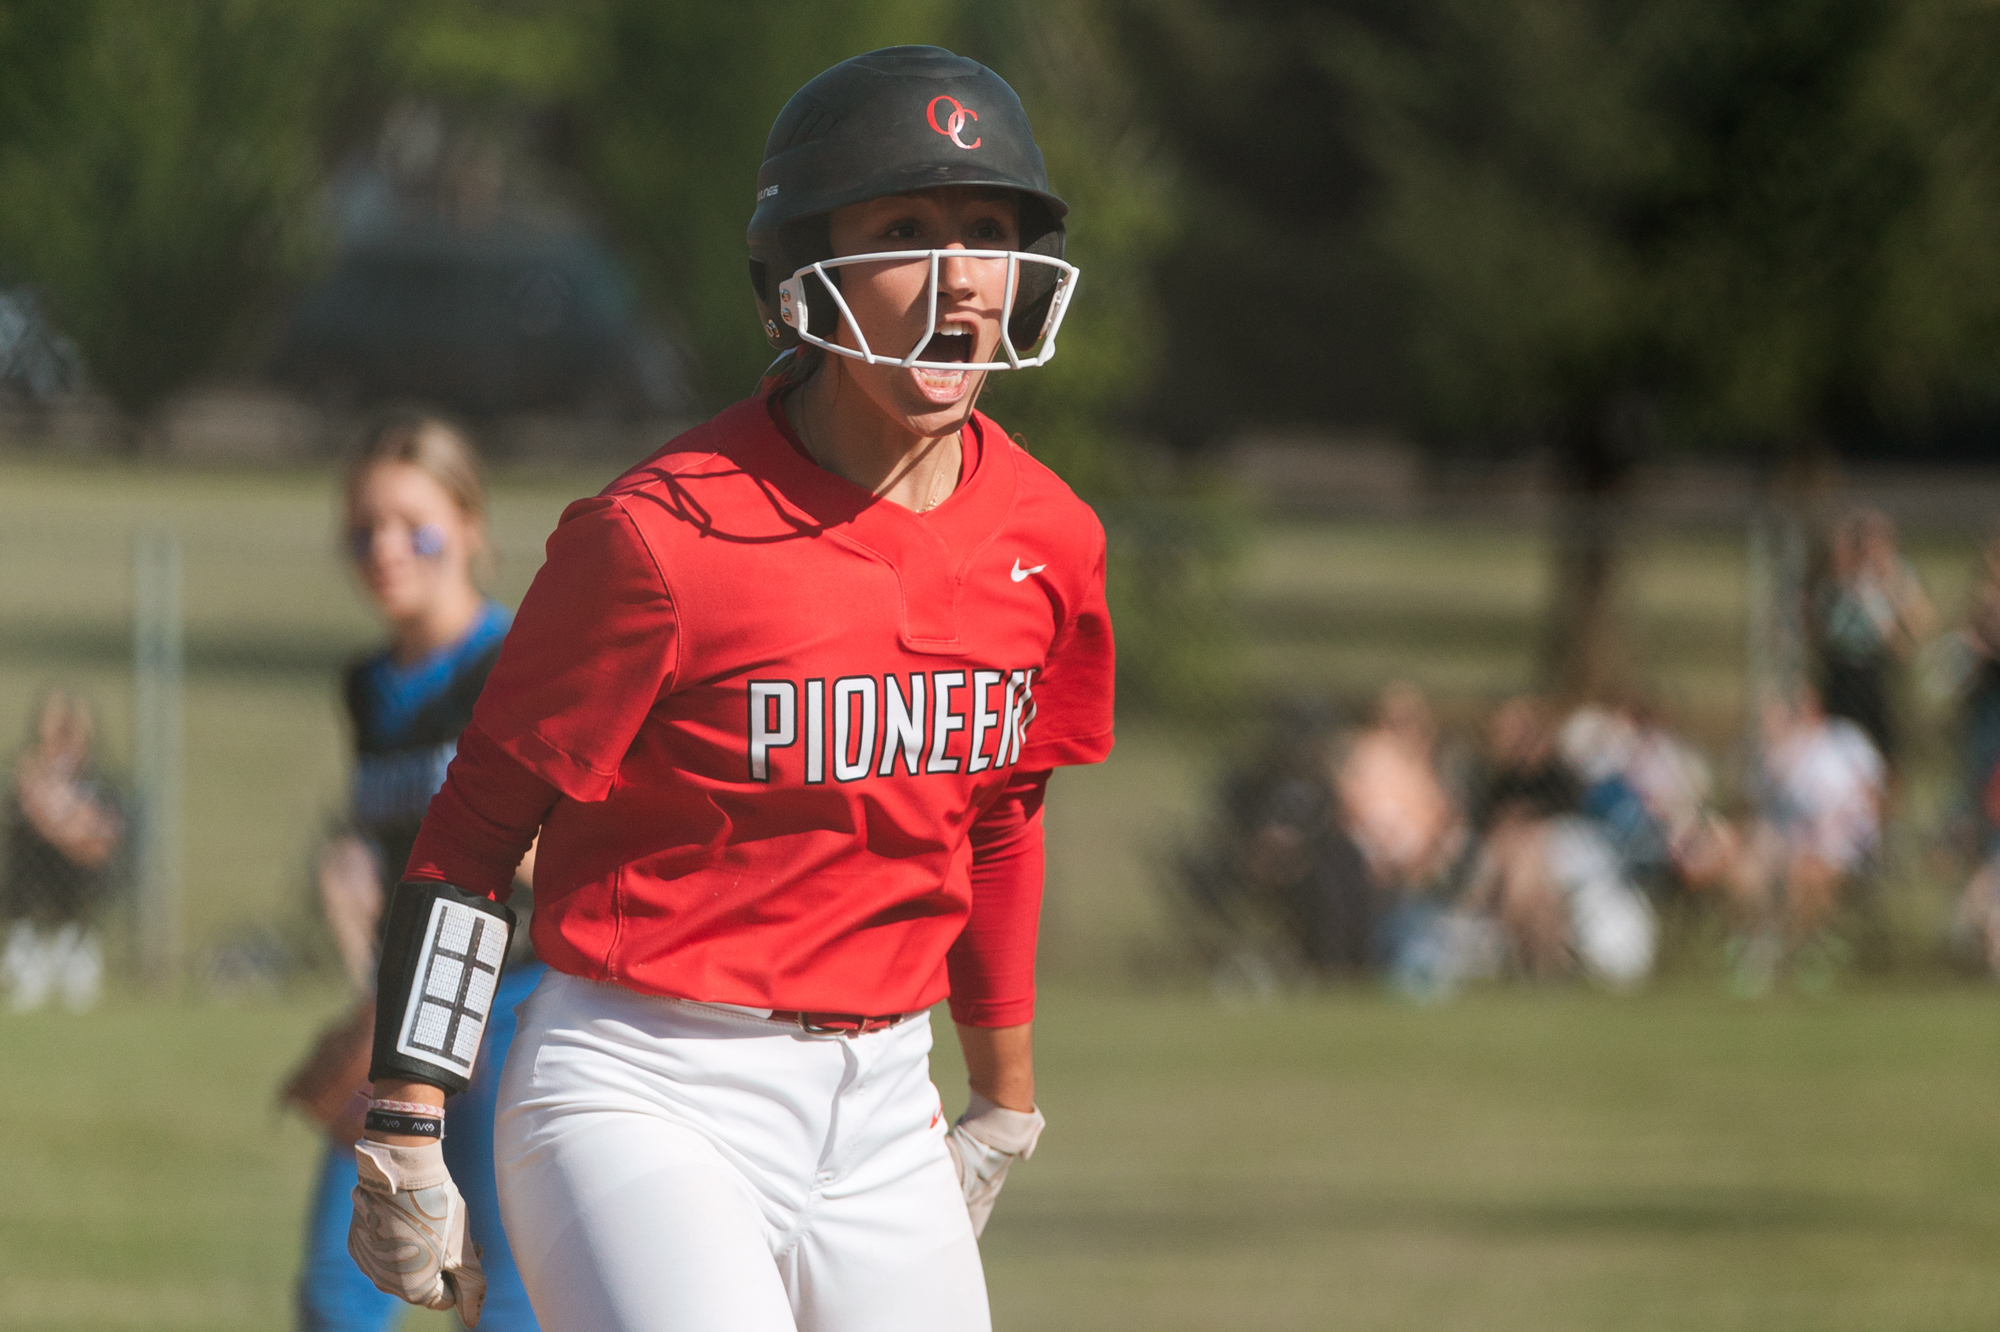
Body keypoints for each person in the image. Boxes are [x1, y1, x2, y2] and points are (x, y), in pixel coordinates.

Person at [345, 47, 1113, 1332]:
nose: (960, 273)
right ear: (797, 276)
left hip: (883, 1102)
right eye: (904, 229)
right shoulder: (660, 537)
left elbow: (997, 820)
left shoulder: (1051, 536)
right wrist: (405, 1118)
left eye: (988, 230)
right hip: (646, 1085)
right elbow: (473, 836)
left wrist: (1004, 1100)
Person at [282, 416, 544, 1332]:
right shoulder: (368, 685)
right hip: (407, 1011)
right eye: (363, 528)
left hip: (514, 998)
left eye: (413, 523)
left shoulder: (517, 663)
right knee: (342, 1279)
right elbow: (383, 852)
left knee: (504, 1290)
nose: (385, 548)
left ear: (471, 523)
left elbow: (566, 854)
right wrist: (368, 979)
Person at [1, 689, 122, 1012]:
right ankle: (29, 959)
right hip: (35, 868)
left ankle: (75, 952)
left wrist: (70, 829)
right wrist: (70, 831)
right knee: (32, 855)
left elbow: (104, 835)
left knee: (90, 864)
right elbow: (33, 813)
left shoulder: (96, 780)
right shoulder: (28, 771)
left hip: (81, 869)